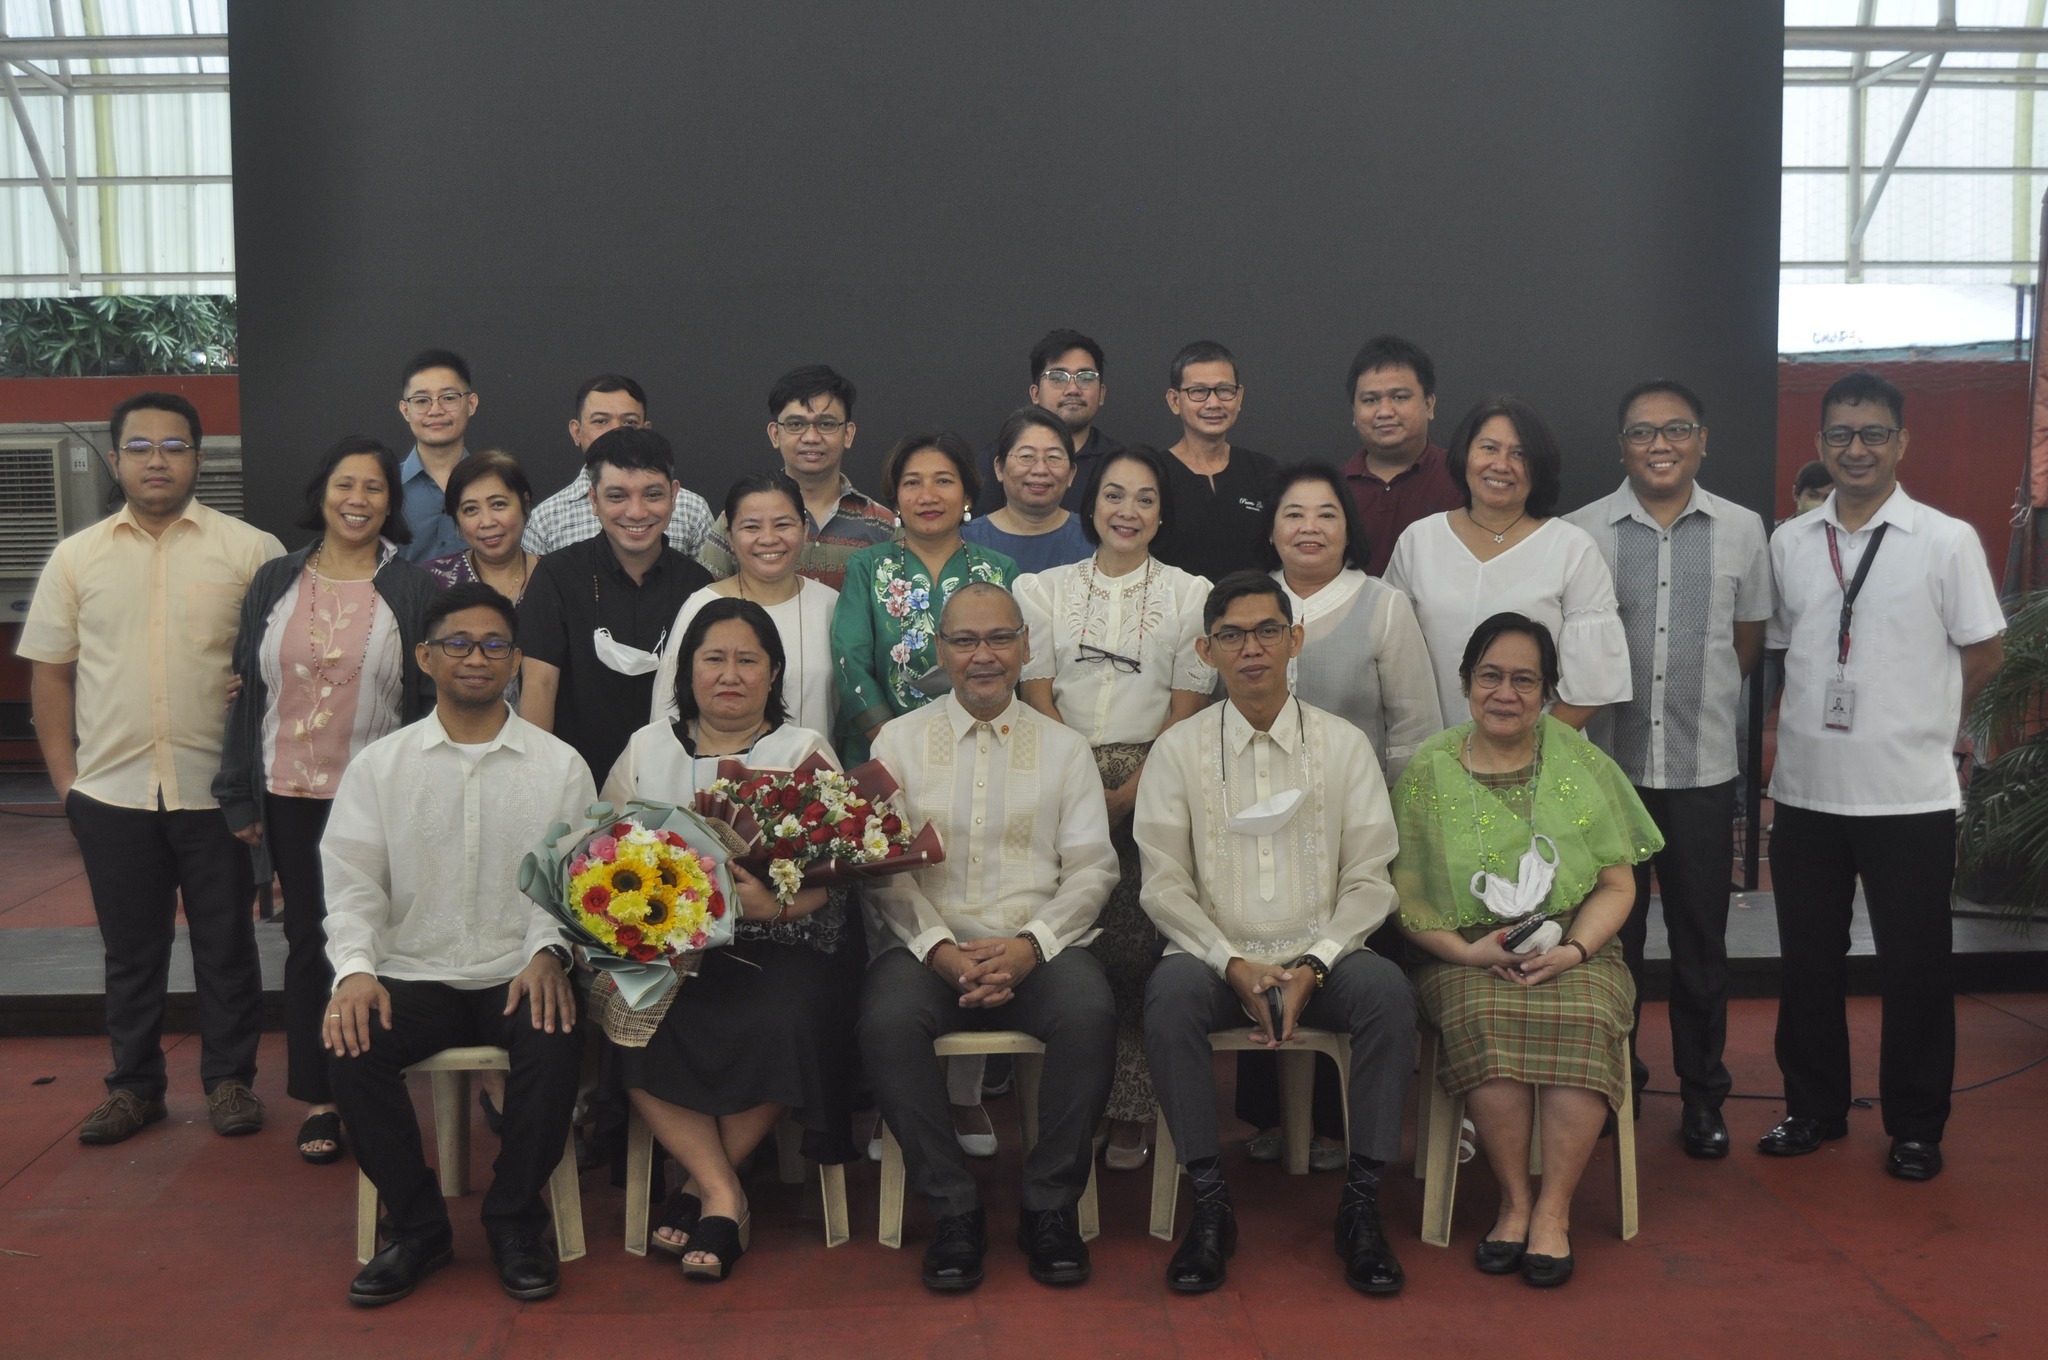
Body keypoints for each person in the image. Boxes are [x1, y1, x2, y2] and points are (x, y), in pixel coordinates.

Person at [1135, 572, 1415, 1298]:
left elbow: (1371, 879)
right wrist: (1229, 962)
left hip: (1323, 955)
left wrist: (1315, 965)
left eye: (1267, 631)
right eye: (1231, 634)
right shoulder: (1177, 751)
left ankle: (1360, 1207)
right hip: (1213, 959)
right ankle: (1210, 1205)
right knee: (1166, 998)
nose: (1250, 648)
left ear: (1295, 639)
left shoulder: (1344, 746)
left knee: (1388, 991)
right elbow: (1162, 883)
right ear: (1206, 649)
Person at [1760, 370, 2005, 1182]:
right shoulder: (1791, 542)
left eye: (1872, 435)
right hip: (1805, 792)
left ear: (1902, 443)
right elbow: (1789, 644)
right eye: (1840, 435)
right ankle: (1814, 1108)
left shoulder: (1946, 540)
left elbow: (1985, 655)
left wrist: (1927, 727)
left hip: (1910, 796)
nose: (1855, 449)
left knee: (1916, 968)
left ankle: (1916, 1126)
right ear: (1819, 444)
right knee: (1808, 964)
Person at [24, 392, 283, 1149]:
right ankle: (135, 1088)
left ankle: (230, 1081)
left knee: (227, 945)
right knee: (130, 952)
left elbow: (283, 665)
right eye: (140, 447)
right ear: (116, 460)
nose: (157, 460)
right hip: (112, 794)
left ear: (198, 458)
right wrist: (69, 787)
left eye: (174, 446)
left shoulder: (250, 550)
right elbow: (49, 675)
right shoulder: (78, 557)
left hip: (218, 794)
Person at [322, 583, 592, 1307]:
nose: (477, 658)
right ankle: (416, 1228)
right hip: (414, 973)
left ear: (516, 662)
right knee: (349, 1039)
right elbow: (351, 885)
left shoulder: (559, 765)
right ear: (425, 658)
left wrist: (545, 953)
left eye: (495, 645)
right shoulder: (381, 766)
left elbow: (571, 886)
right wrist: (354, 972)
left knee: (557, 1031)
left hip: (515, 969)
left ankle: (512, 1220)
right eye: (458, 644)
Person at [858, 583, 1119, 1292]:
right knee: (886, 1020)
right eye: (965, 641)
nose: (983, 656)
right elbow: (881, 870)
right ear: (941, 650)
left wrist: (1031, 945)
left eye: (1000, 639)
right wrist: (940, 951)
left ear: (1026, 647)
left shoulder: (1065, 749)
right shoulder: (898, 742)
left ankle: (1049, 1207)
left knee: (1090, 1012)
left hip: (1038, 946)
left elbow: (1094, 868)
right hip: (927, 947)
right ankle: (953, 1210)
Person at [1394, 613, 1663, 1289]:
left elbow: (1616, 884)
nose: (1505, 693)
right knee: (1483, 1013)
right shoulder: (1430, 768)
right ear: (1465, 683)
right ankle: (1514, 1200)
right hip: (1463, 951)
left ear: (1547, 692)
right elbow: (1405, 900)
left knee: (1586, 1014)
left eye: (1524, 679)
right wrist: (1468, 954)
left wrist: (1573, 951)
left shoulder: (1581, 760)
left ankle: (1553, 1211)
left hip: (1576, 945)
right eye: (1490, 675)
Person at [602, 598, 855, 1281]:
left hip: (781, 942)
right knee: (621, 1007)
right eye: (714, 659)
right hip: (669, 949)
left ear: (775, 674)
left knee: (789, 1014)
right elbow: (602, 857)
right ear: (688, 671)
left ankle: (699, 1189)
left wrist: (770, 904)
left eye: (749, 660)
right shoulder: (646, 749)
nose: (730, 675)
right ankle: (721, 1191)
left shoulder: (802, 753)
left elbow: (833, 880)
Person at [214, 437, 438, 1164]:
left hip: (377, 796)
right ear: (322, 493)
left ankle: (376, 1081)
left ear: (390, 504)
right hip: (288, 793)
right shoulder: (275, 579)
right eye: (346, 484)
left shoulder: (413, 588)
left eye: (375, 489)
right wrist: (238, 795)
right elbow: (245, 694)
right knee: (312, 943)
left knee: (385, 941)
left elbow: (429, 698)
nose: (359, 499)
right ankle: (322, 1098)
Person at [1564, 380, 1772, 1159]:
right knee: (1610, 945)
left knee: (1700, 947)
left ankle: (1702, 1096)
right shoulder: (1581, 531)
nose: (1660, 444)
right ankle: (1615, 1081)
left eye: (1677, 428)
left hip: (1700, 775)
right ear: (1621, 445)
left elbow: (1745, 647)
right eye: (1642, 432)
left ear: (1703, 439)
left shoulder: (1745, 531)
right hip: (1606, 776)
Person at [1233, 462, 1443, 1173]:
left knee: (1349, 969)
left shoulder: (1381, 606)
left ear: (1348, 529)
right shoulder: (1241, 606)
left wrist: (1385, 829)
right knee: (1262, 958)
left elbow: (1414, 730)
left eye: (1327, 514)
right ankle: (1268, 1116)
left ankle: (1334, 1123)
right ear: (1272, 528)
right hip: (1254, 837)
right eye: (1294, 513)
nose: (1309, 528)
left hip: (1355, 841)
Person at [1013, 445, 1212, 1171]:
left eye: (1145, 499)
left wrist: (1130, 793)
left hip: (1154, 771)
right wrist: (1079, 785)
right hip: (1057, 768)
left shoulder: (1193, 594)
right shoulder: (1042, 590)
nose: (1128, 512)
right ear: (1089, 503)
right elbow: (1035, 695)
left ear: (1163, 512)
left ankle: (1132, 1107)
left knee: (1135, 940)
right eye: (1114, 496)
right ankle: (1076, 1105)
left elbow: (1188, 709)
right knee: (1066, 941)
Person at [1385, 396, 1629, 730]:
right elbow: (1388, 660)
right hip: (1435, 758)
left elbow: (1594, 684)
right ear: (1464, 454)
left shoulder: (1572, 548)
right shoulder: (1418, 541)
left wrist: (1519, 757)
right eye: (1488, 448)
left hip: (1538, 764)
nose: (1502, 464)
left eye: (1520, 454)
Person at [517, 427, 713, 788]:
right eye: (617, 496)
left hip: (674, 785)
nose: (636, 512)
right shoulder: (558, 575)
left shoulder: (697, 585)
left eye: (653, 495)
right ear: (593, 500)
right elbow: (539, 685)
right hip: (573, 781)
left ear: (674, 495)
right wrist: (538, 782)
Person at [830, 431, 1018, 766]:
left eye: (943, 481)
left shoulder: (1001, 570)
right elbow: (851, 664)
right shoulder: (868, 566)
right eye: (913, 483)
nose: (927, 496)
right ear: (896, 498)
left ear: (967, 495)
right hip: (884, 755)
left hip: (983, 753)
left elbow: (1017, 666)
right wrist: (894, 745)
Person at [650, 472, 838, 736]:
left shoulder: (831, 606)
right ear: (729, 534)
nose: (769, 538)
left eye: (783, 525)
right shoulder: (702, 606)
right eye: (751, 527)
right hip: (716, 774)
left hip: (815, 771)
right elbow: (667, 713)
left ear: (805, 529)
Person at [695, 365, 896, 589]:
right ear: (775, 434)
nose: (811, 437)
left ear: (848, 434)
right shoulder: (738, 520)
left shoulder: (883, 526)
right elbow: (705, 603)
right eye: (796, 424)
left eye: (826, 424)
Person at [521, 374, 714, 556]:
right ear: (576, 432)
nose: (615, 431)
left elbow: (711, 589)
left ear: (646, 430)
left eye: (629, 422)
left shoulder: (692, 510)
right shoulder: (545, 520)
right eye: (600, 421)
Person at [1149, 341, 1278, 584]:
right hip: (1173, 617)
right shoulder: (1152, 474)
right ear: (1174, 401)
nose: (1214, 403)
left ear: (1239, 397)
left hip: (1254, 615)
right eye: (1198, 391)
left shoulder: (1266, 472)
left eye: (1224, 390)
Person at [1339, 336, 1463, 577]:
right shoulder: (1333, 489)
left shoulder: (1464, 477)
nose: (1385, 411)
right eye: (1370, 400)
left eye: (1399, 397)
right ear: (1354, 412)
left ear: (1429, 405)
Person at [976, 329, 1119, 514]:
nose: (1073, 389)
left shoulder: (1120, 461)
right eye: (1058, 378)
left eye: (1086, 378)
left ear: (1101, 394)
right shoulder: (999, 456)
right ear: (1035, 393)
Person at [961, 405, 1093, 572]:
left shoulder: (1095, 538)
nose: (1040, 470)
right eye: (1026, 456)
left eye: (1053, 457)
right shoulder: (964, 541)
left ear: (1071, 474)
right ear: (999, 468)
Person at [394, 349, 479, 564]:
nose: (435, 410)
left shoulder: (495, 485)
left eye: (449, 398)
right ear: (405, 410)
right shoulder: (385, 487)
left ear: (471, 404)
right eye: (422, 401)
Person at [425, 450, 540, 602]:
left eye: (498, 504)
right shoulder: (431, 579)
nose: (487, 522)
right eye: (470, 509)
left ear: (524, 504)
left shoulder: (557, 575)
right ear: (456, 519)